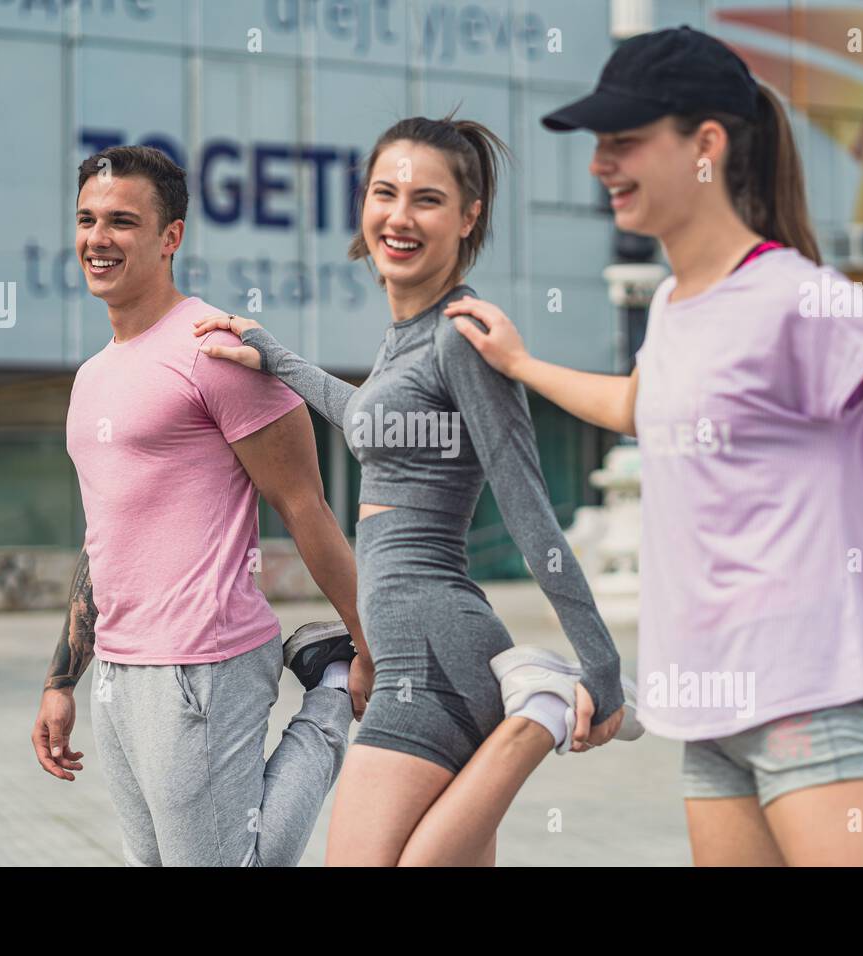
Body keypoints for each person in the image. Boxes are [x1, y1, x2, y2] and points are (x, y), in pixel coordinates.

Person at [445, 26, 863, 866]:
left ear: (705, 146)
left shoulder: (799, 300)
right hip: (708, 712)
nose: (599, 165)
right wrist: (521, 363)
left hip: (812, 701)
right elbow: (637, 407)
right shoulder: (676, 306)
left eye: (624, 142)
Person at [194, 114, 639, 866]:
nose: (399, 216)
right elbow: (369, 421)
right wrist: (277, 359)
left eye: (427, 199)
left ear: (468, 218)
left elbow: (529, 507)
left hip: (434, 655)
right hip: (417, 646)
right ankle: (535, 705)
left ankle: (542, 708)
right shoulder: (406, 336)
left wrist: (602, 666)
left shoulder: (462, 337)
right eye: (385, 192)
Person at [30, 145, 373, 867]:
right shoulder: (93, 377)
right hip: (121, 675)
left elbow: (305, 505)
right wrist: (63, 680)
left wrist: (370, 643)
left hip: (203, 665)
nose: (99, 238)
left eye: (123, 221)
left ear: (171, 236)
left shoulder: (216, 350)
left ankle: (331, 688)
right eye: (87, 220)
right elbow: (106, 539)